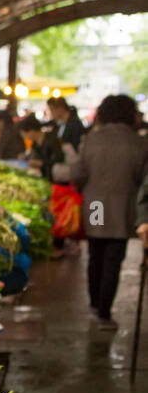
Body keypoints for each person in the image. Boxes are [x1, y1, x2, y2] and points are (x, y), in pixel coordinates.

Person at [57, 94, 148, 328]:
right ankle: (104, 312)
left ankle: (94, 303)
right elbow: (142, 180)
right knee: (113, 259)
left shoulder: (91, 139)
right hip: (123, 207)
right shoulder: (140, 143)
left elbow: (78, 174)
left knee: (95, 254)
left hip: (96, 205)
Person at [19, 113, 63, 180]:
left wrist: (41, 164)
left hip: (56, 180)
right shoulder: (35, 144)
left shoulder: (51, 141)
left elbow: (59, 161)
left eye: (24, 135)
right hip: (44, 177)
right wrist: (26, 156)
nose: (24, 138)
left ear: (31, 131)